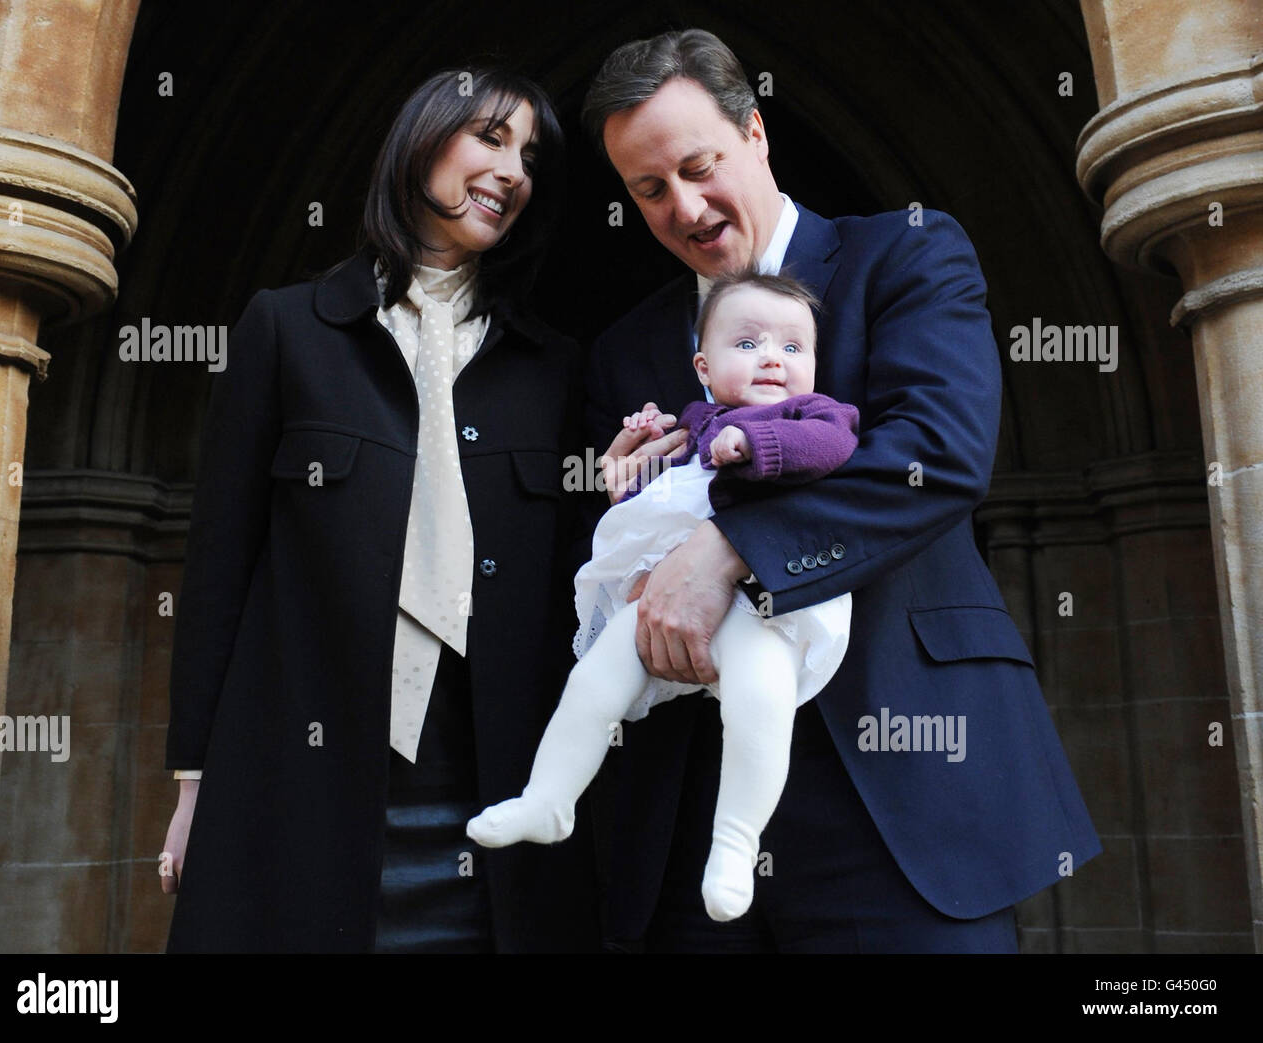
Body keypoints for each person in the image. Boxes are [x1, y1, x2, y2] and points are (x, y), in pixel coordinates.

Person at [579, 28, 1102, 953]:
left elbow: (936, 451)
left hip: (905, 792)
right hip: (692, 819)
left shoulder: (905, 255)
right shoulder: (624, 350)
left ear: (756, 133)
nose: (686, 207)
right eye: (649, 189)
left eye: (699, 167)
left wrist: (732, 548)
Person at [159, 67, 599, 952]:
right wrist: (194, 787)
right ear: (420, 140)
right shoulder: (284, 330)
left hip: (496, 797)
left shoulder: (554, 367)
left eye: (530, 157)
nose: (513, 171)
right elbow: (219, 570)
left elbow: (580, 588)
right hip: (303, 785)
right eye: (490, 137)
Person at [467, 271, 858, 923]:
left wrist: (755, 441)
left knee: (761, 701)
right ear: (703, 364)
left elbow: (829, 447)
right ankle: (549, 796)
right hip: (665, 593)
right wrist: (635, 468)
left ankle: (734, 843)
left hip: (765, 605)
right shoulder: (695, 421)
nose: (773, 357)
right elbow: (659, 503)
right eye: (750, 342)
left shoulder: (813, 415)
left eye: (794, 348)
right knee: (592, 680)